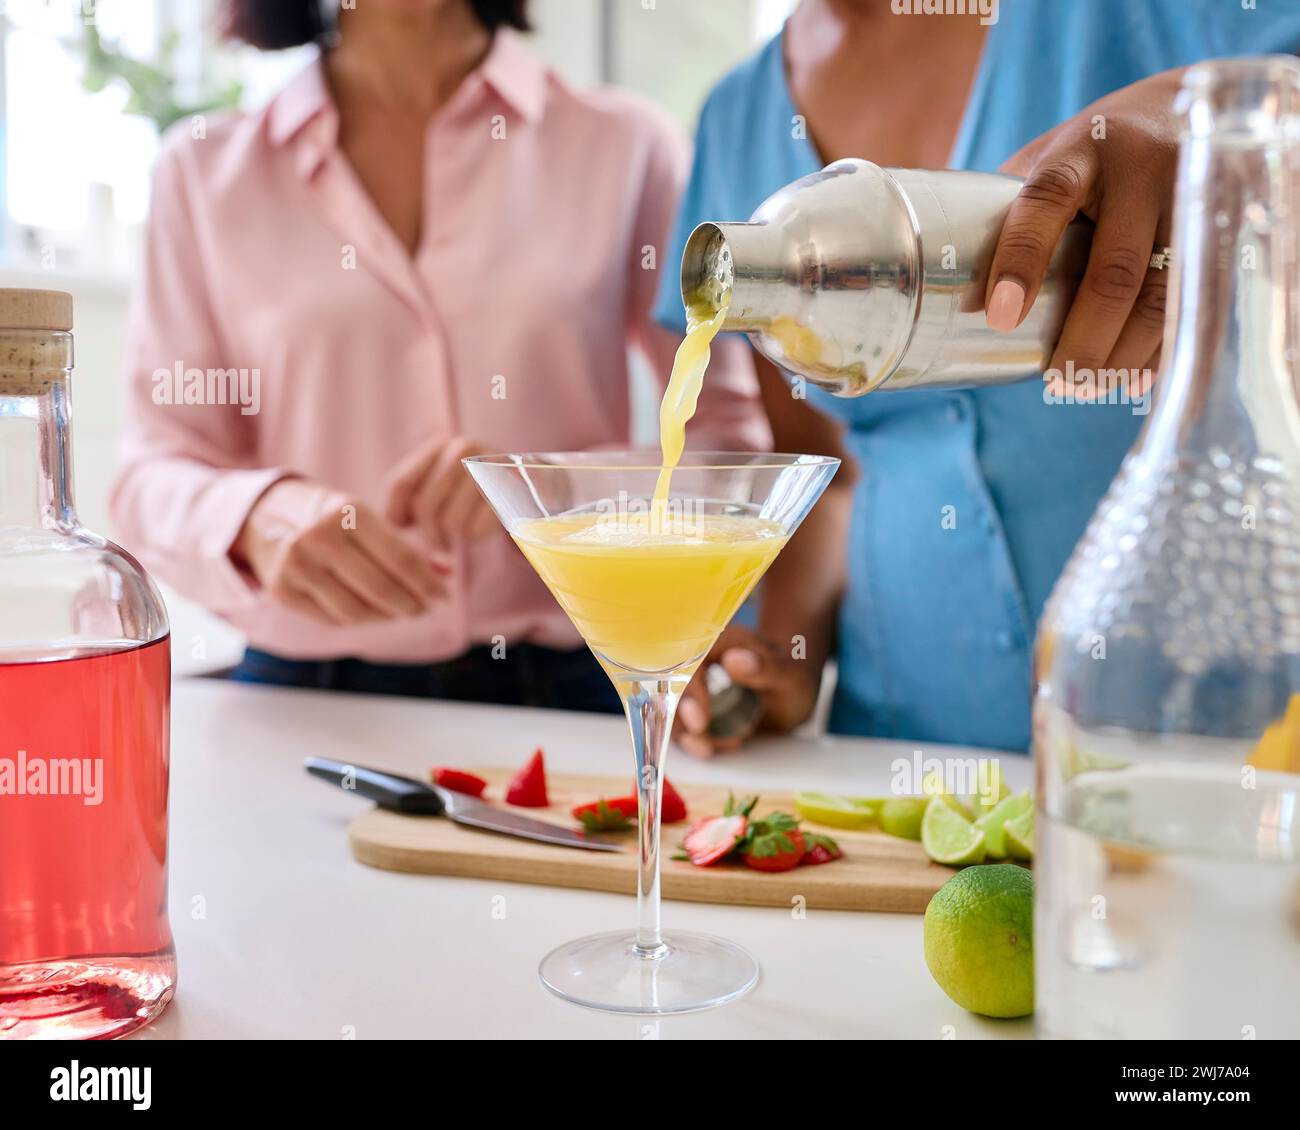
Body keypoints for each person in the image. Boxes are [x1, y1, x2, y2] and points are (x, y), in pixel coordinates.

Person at [658, 0, 1300, 755]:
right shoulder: (739, 114)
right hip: (903, 759)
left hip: (1222, 738)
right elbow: (828, 475)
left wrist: (1226, 119)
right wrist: (785, 656)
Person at [111, 0, 768, 711]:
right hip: (305, 703)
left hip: (574, 691)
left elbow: (728, 452)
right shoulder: (202, 171)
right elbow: (150, 474)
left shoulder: (630, 147)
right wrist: (254, 514)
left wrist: (544, 494)